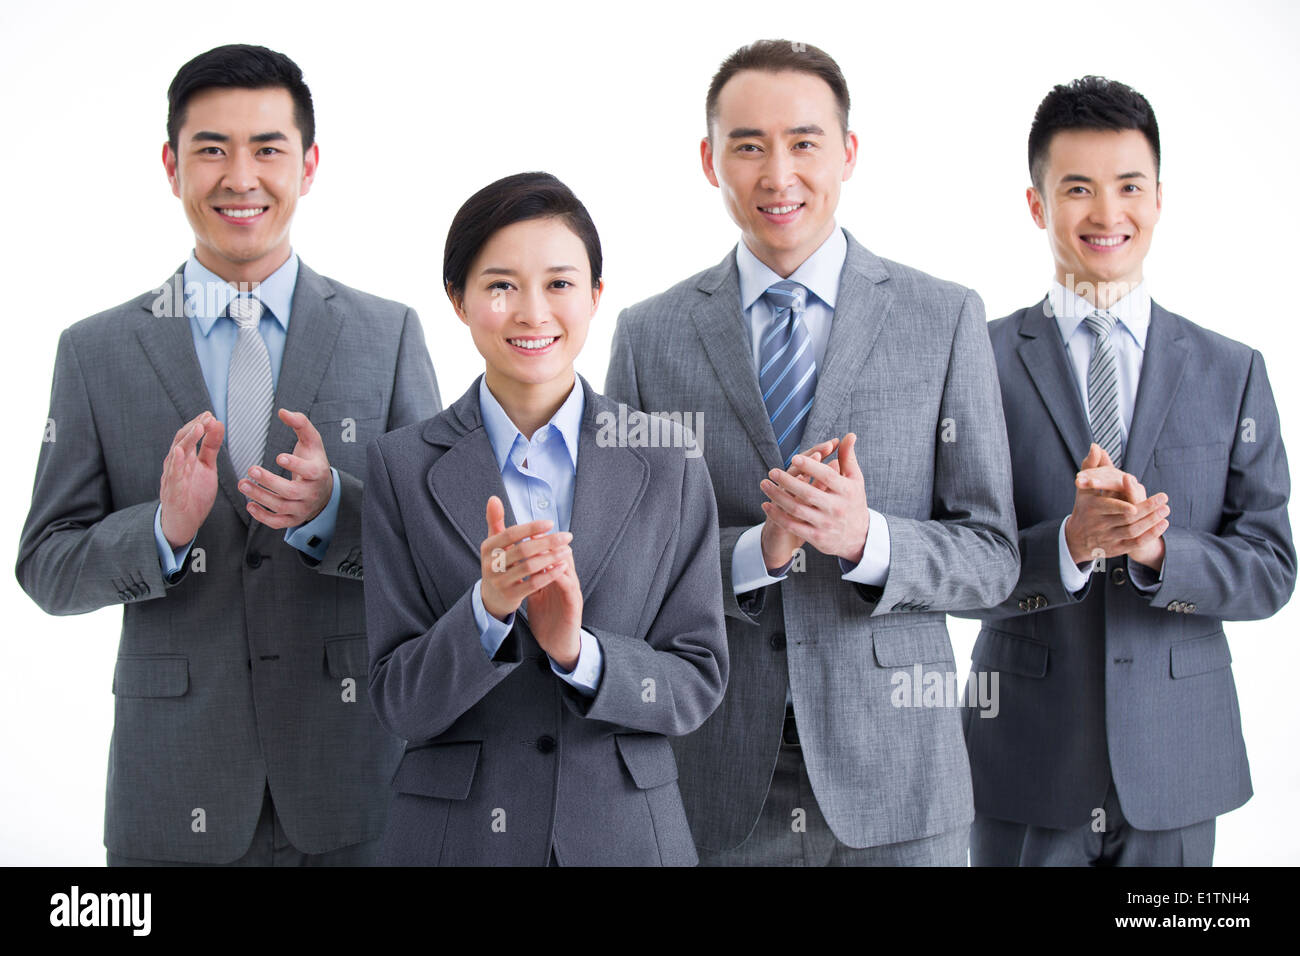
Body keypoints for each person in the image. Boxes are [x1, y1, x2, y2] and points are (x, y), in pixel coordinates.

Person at [15, 44, 441, 865]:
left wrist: (332, 514)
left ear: (309, 165)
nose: (240, 178)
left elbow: (437, 551)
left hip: (356, 785)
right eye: (211, 149)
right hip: (173, 792)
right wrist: (160, 534)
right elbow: (46, 566)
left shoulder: (387, 335)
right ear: (172, 166)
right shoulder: (95, 351)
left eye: (267, 149)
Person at [605, 39, 1019, 866]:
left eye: (803, 142)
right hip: (715, 773)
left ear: (849, 152)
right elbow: (622, 570)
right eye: (747, 145)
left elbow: (995, 559)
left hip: (900, 782)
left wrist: (870, 540)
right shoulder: (649, 336)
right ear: (708, 159)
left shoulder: (943, 317)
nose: (777, 173)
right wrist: (757, 552)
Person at [963, 76, 1296, 866]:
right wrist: (1070, 547)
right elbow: (947, 561)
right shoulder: (975, 361)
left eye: (1128, 187)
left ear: (1158, 197)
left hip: (1178, 761)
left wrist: (1158, 552)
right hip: (1025, 760)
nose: (1107, 215)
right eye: (1078, 189)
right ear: (1038, 205)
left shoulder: (1232, 370)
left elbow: (1272, 568)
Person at [364, 171, 728, 866]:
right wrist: (486, 613)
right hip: (455, 842)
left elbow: (697, 680)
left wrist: (578, 654)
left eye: (560, 284)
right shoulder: (400, 467)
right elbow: (397, 702)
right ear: (458, 299)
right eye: (501, 285)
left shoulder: (669, 460)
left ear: (595, 296)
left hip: (624, 837)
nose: (533, 312)